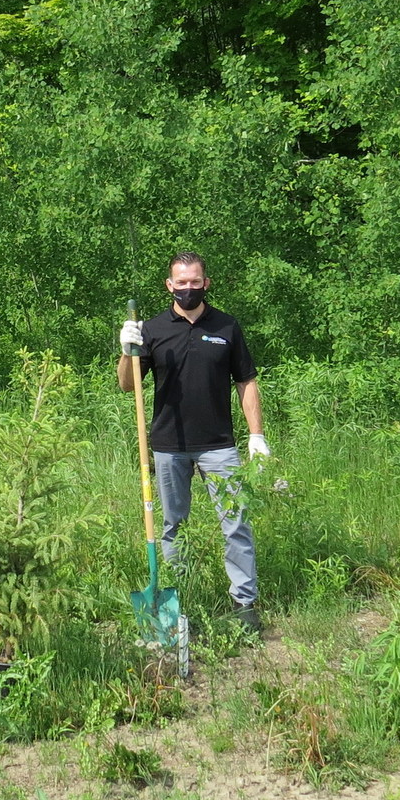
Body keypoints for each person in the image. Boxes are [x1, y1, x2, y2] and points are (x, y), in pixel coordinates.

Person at [116, 252, 270, 635]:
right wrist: (126, 350)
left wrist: (256, 434)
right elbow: (128, 385)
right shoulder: (152, 329)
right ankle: (180, 595)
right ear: (169, 285)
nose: (188, 288)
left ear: (206, 283)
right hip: (168, 445)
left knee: (236, 522)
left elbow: (246, 381)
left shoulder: (226, 326)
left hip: (219, 445)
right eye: (181, 282)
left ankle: (244, 603)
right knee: (174, 525)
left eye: (195, 281)